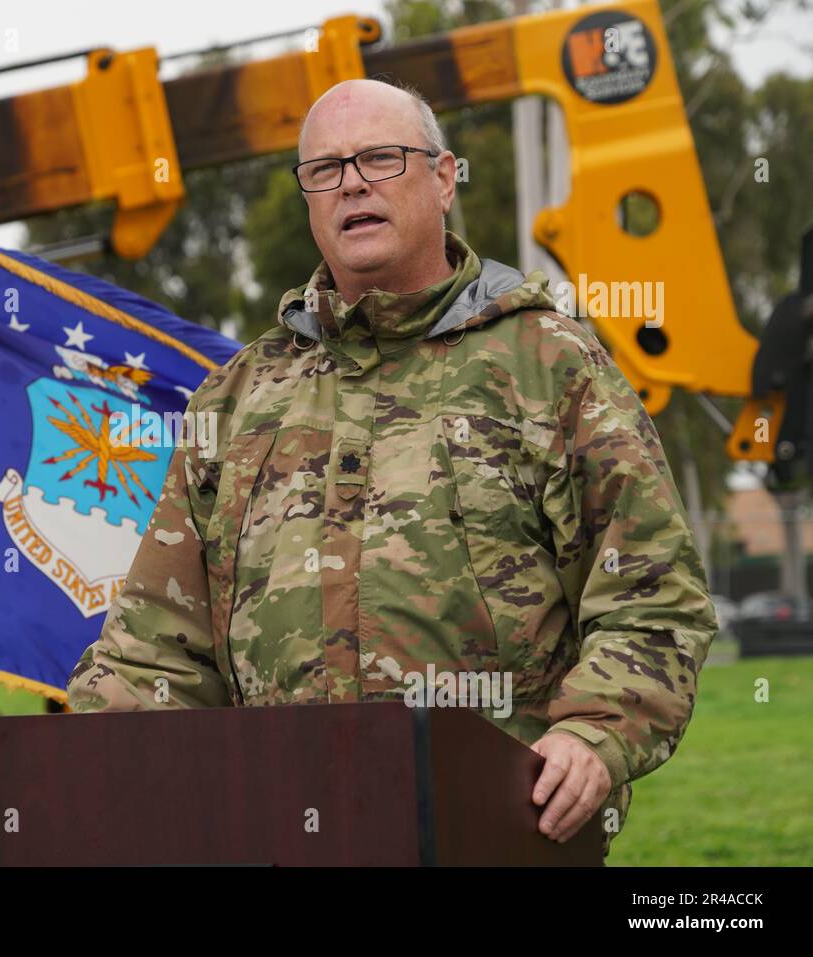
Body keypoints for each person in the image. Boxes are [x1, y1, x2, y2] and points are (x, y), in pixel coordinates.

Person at [67, 78, 716, 855]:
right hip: (284, 834)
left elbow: (652, 595)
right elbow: (156, 640)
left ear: (444, 179)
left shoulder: (550, 365)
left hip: (498, 832)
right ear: (308, 200)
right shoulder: (238, 397)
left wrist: (593, 736)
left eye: (380, 158)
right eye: (326, 169)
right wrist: (101, 773)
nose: (352, 183)